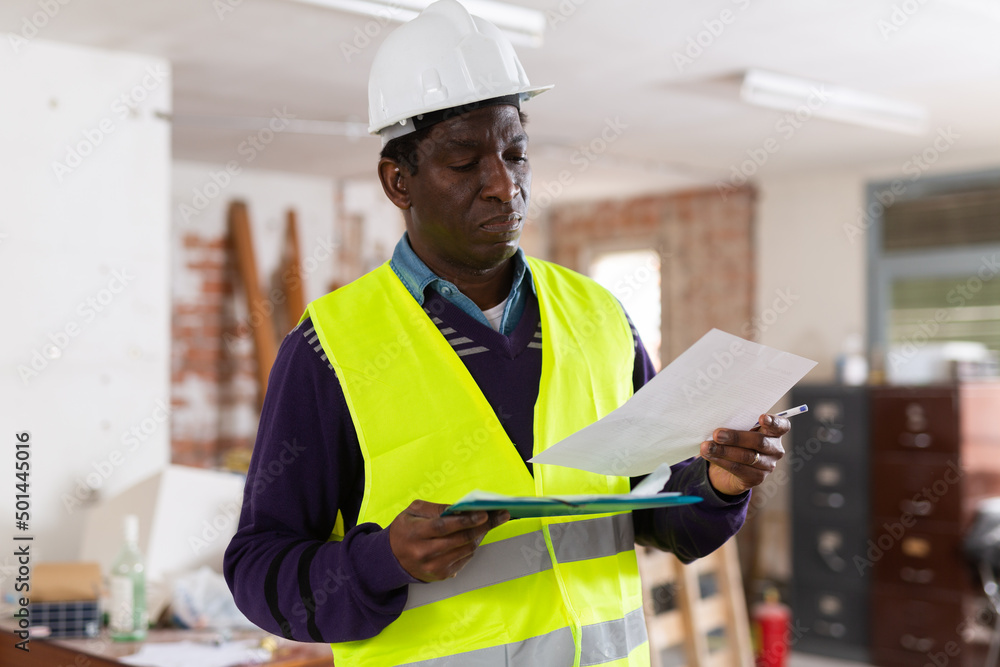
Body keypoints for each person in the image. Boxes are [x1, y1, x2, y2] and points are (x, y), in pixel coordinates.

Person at [224, 1, 788, 665]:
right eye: (465, 163)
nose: (503, 185)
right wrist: (381, 560)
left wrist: (720, 482)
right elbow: (259, 570)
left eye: (516, 154)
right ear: (398, 181)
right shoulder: (330, 348)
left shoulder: (599, 317)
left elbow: (658, 510)